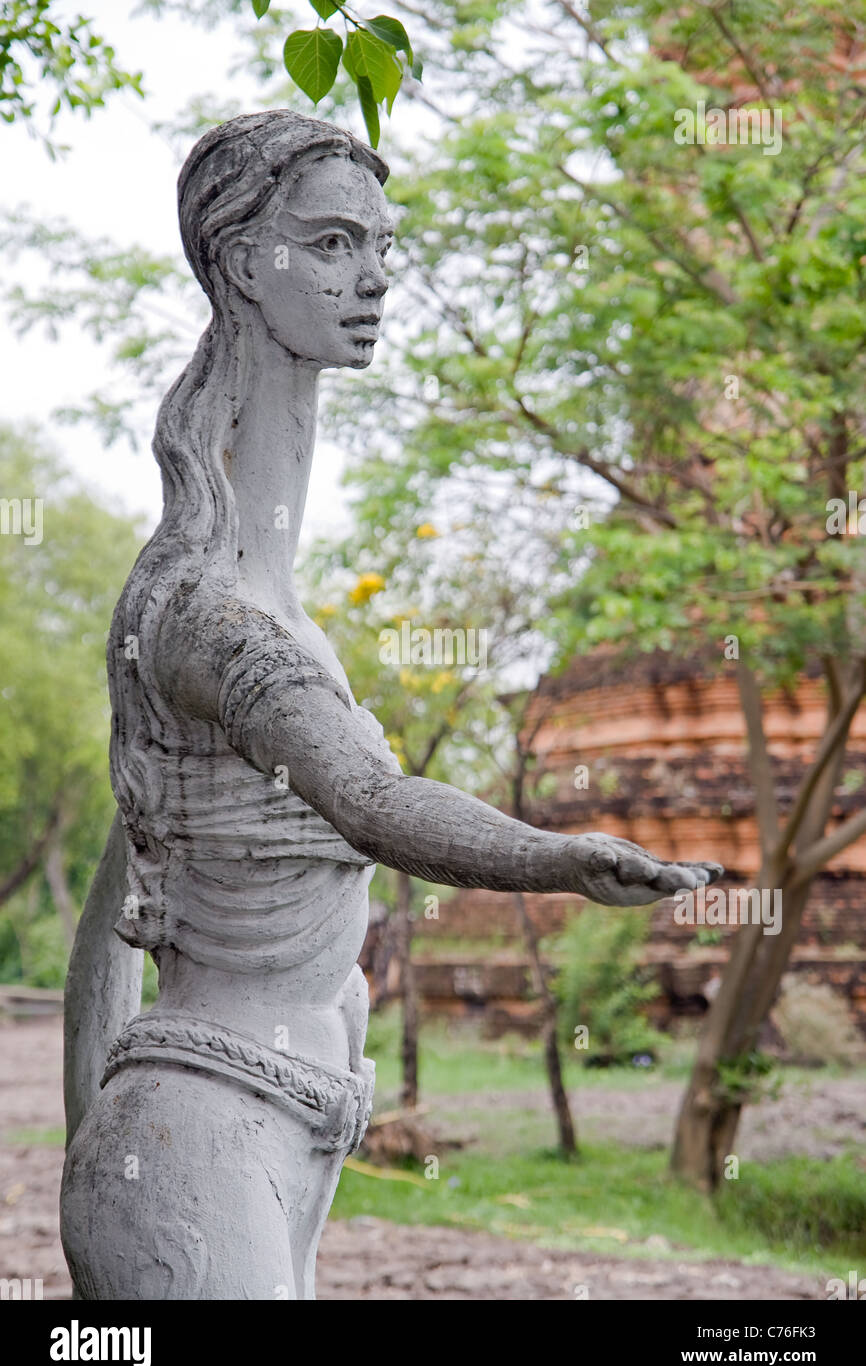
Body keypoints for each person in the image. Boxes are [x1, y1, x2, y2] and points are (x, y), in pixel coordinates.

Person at [61, 110, 721, 1300]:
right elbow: (369, 805)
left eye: (379, 244)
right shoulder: (206, 615)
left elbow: (106, 916)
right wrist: (557, 857)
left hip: (265, 1139)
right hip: (190, 1146)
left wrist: (83, 1137)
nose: (370, 276)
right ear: (238, 264)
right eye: (327, 243)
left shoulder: (275, 610)